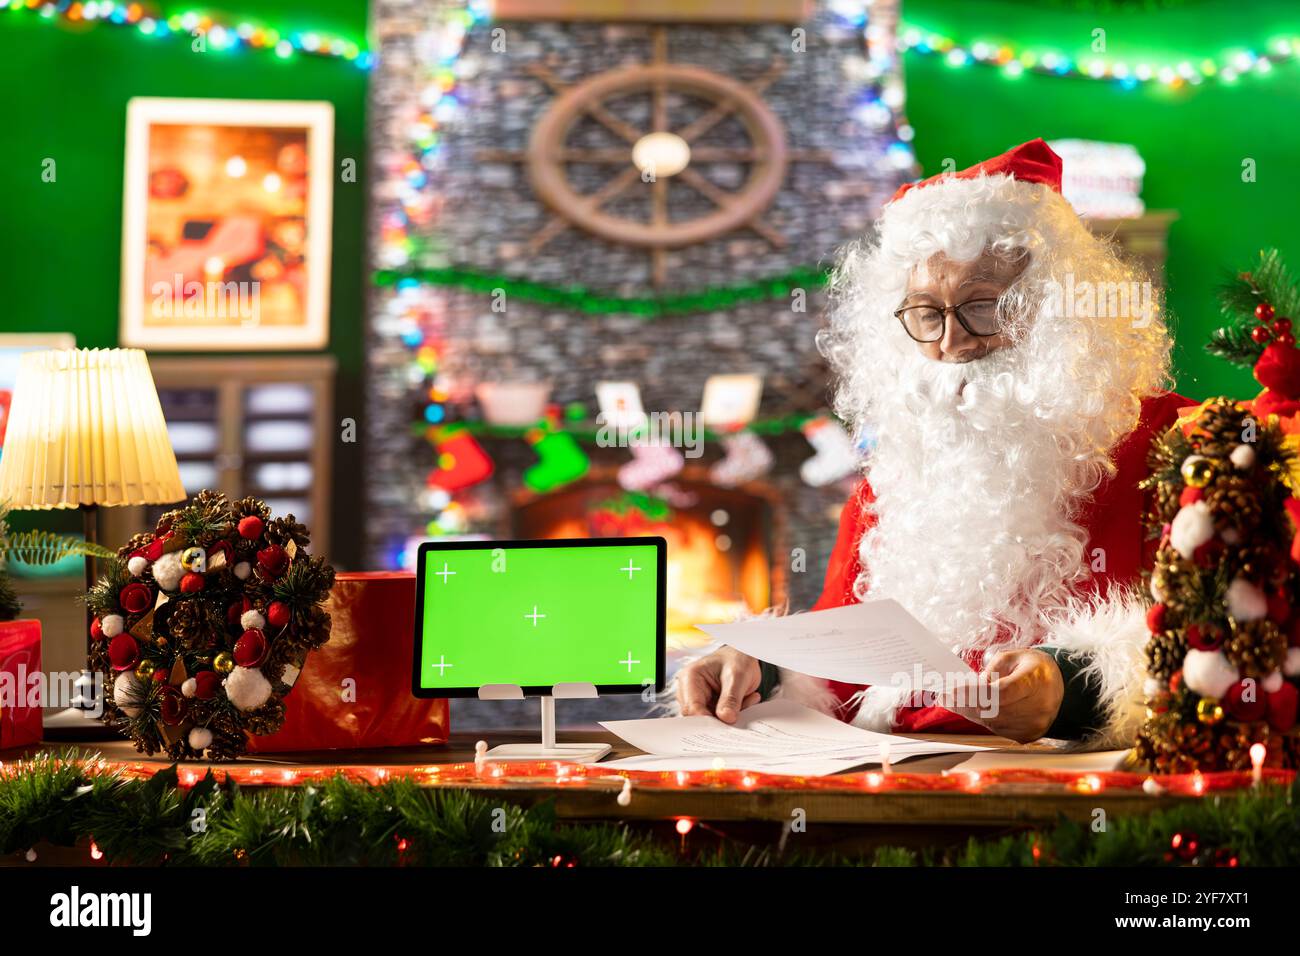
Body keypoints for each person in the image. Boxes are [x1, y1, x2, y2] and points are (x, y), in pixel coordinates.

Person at [676, 139, 1186, 746]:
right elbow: (843, 644)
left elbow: (1228, 642)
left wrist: (1074, 689)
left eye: (982, 308)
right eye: (925, 313)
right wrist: (756, 670)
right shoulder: (901, 462)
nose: (951, 345)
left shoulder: (1175, 444)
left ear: (1053, 309)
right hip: (893, 779)